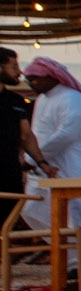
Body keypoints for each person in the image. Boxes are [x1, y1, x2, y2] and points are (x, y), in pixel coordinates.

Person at [21, 57, 81, 271]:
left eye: (35, 79)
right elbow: (36, 135)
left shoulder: (73, 98)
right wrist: (37, 159)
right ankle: (71, 260)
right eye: (29, 79)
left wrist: (34, 157)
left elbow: (67, 134)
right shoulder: (43, 100)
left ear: (51, 77)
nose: (31, 83)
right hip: (50, 168)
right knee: (36, 209)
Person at [0, 48, 41, 200]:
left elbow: (26, 135)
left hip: (9, 173)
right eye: (14, 66)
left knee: (9, 218)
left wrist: (42, 163)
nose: (19, 71)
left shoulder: (15, 101)